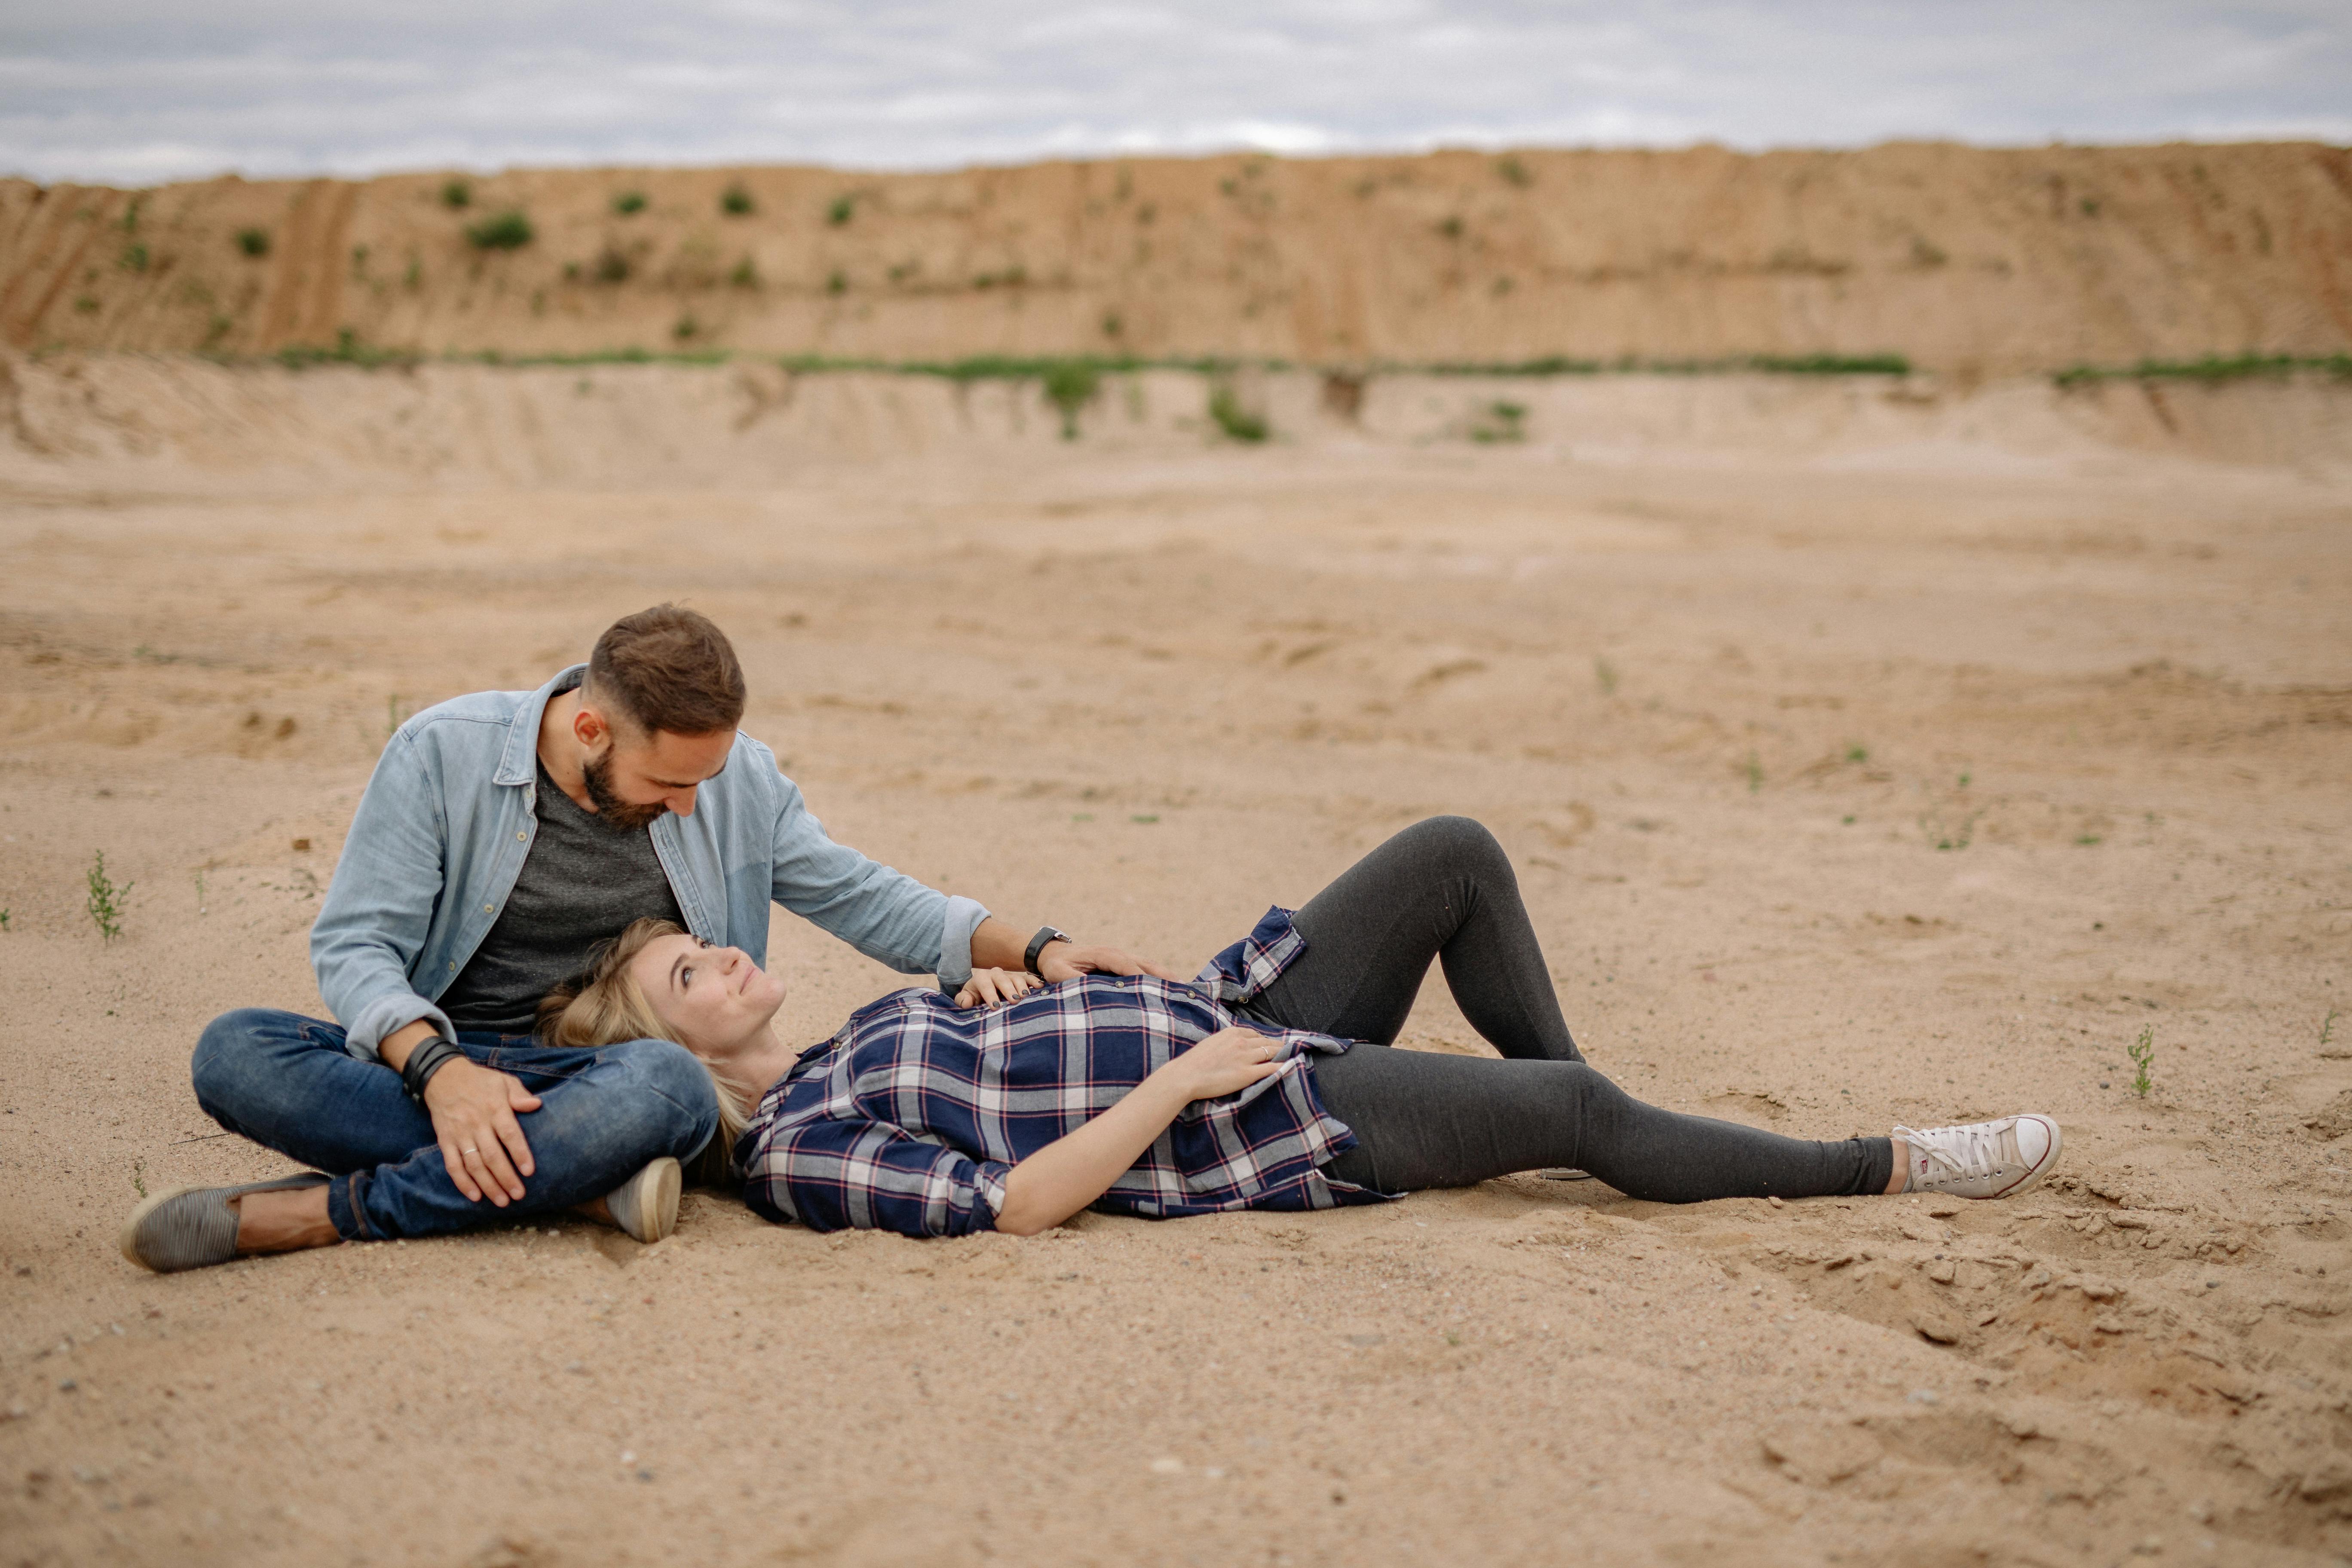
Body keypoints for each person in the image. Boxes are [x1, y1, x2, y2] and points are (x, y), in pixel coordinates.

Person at [122, 605, 1167, 1272]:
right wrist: (441, 1071)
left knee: (666, 1085)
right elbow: (358, 953)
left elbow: (857, 892)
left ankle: (318, 1217)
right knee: (236, 1052)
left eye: (703, 784)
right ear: (588, 728)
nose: (687, 808)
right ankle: (581, 1186)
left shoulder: (731, 782)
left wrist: (1032, 950)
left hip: (616, 1075)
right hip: (437, 1065)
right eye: (667, 783)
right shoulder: (441, 755)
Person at [547, 817, 2061, 1238]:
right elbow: (1011, 1202)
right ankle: (1893, 1164)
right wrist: (1182, 1083)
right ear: (678, 1057)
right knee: (1573, 1108)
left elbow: (998, 1055)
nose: (733, 959)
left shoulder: (847, 1042)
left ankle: (1607, 1115)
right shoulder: (808, 1149)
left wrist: (1004, 991)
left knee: (1454, 852)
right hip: (1259, 1112)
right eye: (695, 976)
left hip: (1242, 1008)